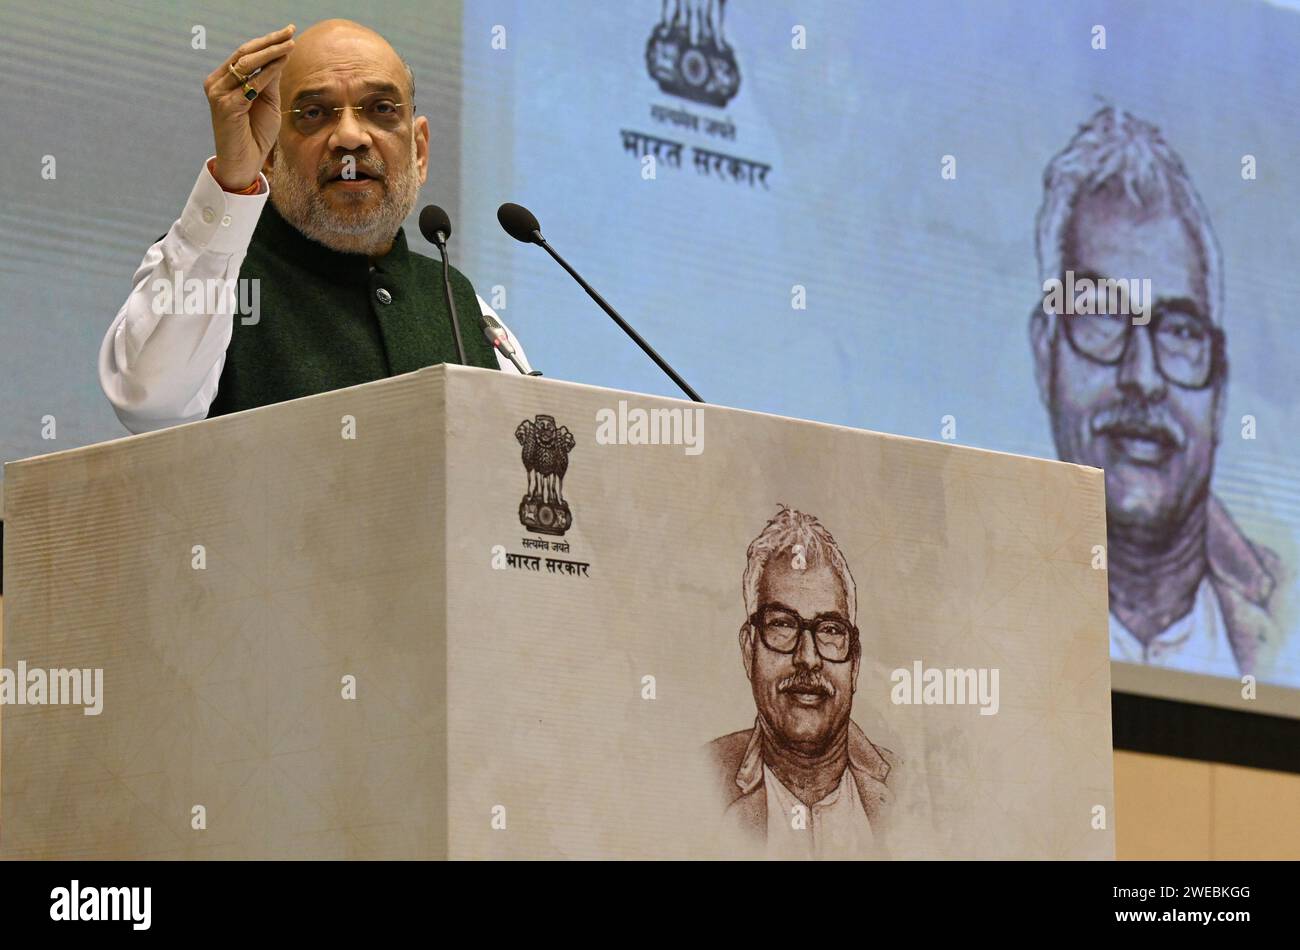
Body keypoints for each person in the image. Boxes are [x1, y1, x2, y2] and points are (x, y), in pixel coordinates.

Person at [99, 19, 528, 434]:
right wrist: (232, 185)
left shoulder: (462, 306)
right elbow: (150, 404)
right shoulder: (214, 272)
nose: (350, 137)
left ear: (418, 150)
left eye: (381, 109)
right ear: (269, 154)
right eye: (313, 113)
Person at [1030, 106, 1288, 677]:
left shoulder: (1288, 618)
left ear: (1218, 389)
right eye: (1100, 314)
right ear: (1046, 349)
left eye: (1178, 331)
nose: (1143, 377)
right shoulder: (970, 609)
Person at [707, 506, 896, 858]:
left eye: (829, 630)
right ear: (749, 650)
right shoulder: (697, 782)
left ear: (854, 663)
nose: (808, 657)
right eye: (782, 624)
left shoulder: (914, 793)